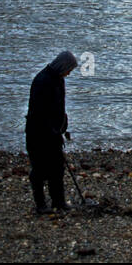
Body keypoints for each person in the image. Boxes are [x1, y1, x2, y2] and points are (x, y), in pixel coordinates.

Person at [25, 50, 78, 213]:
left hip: (54, 132)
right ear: (63, 66)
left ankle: (58, 202)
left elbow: (58, 106)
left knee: (57, 168)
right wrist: (52, 131)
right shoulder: (42, 81)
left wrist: (62, 125)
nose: (69, 74)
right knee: (40, 169)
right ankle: (40, 205)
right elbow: (39, 111)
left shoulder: (58, 79)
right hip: (38, 133)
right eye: (69, 69)